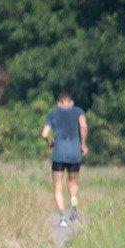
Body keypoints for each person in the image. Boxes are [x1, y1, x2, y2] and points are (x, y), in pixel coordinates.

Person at [41, 90, 88, 228]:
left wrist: (49, 142)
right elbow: (84, 126)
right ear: (72, 102)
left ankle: (62, 218)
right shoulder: (78, 111)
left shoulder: (54, 113)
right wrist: (83, 145)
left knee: (58, 186)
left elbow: (44, 134)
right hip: (75, 152)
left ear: (58, 103)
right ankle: (73, 201)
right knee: (73, 182)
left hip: (59, 153)